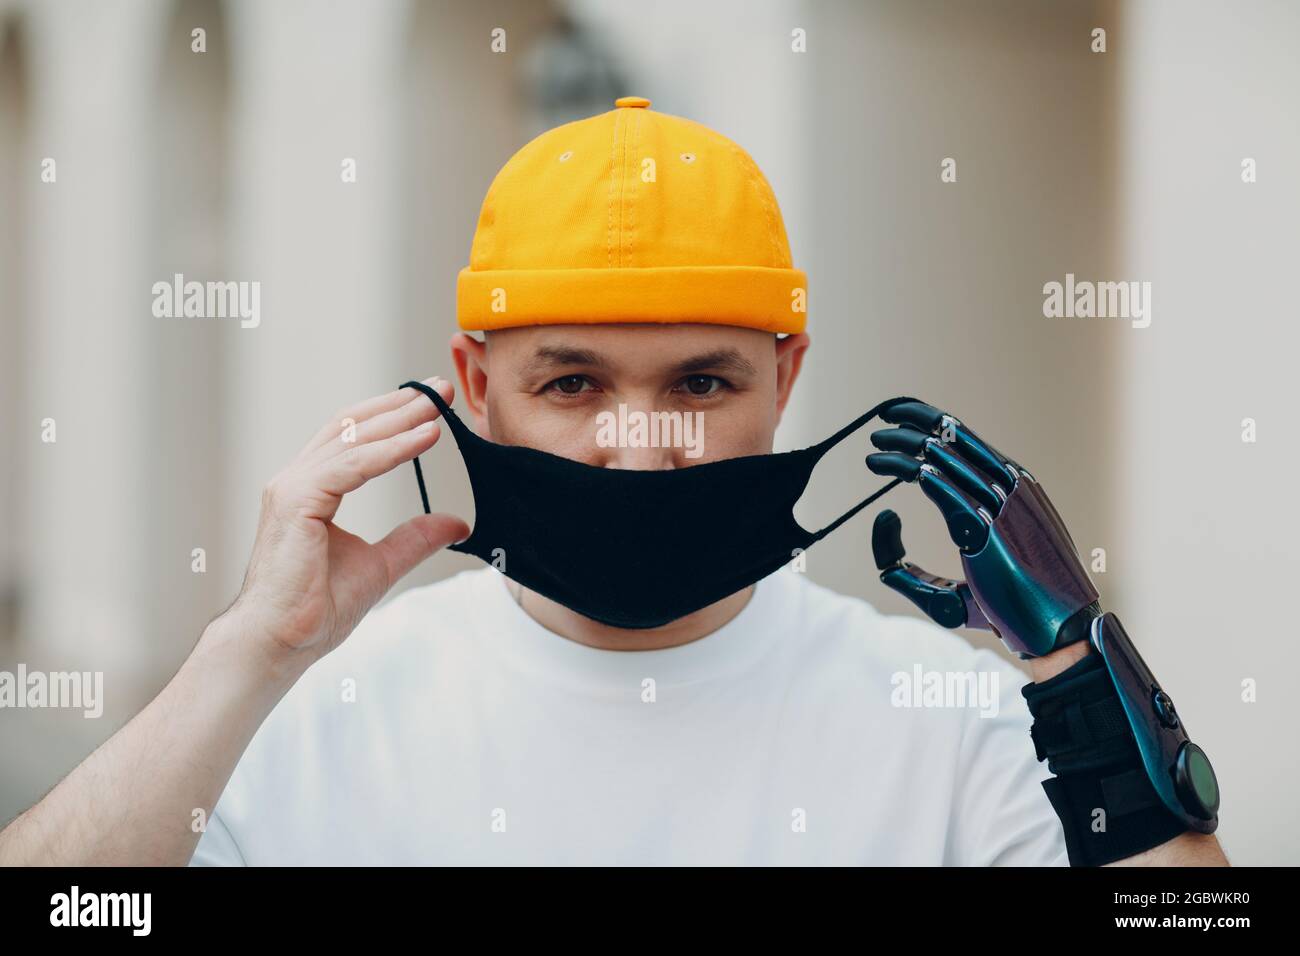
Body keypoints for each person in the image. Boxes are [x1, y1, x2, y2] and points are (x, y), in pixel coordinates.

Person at [0, 97, 1225, 866]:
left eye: (700, 382)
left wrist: (1077, 664)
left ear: (786, 377)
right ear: (472, 387)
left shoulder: (960, 721)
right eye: (572, 383)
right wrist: (245, 656)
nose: (640, 443)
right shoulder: (307, 718)